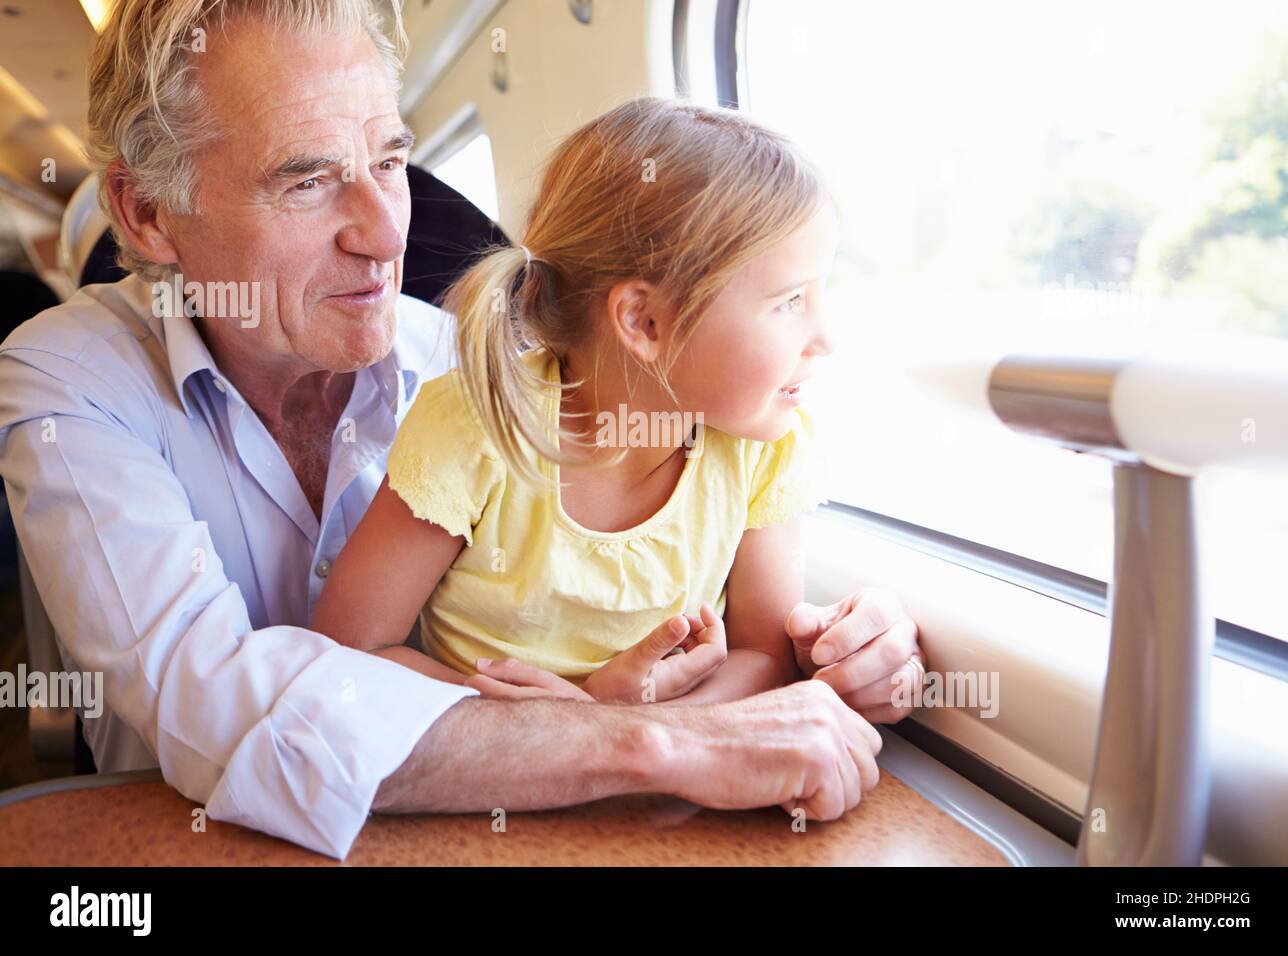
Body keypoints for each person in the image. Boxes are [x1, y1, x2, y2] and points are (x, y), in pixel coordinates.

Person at [0, 0, 923, 860]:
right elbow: (212, 708)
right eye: (308, 178)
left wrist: (841, 642)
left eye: (392, 162)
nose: (382, 231)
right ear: (148, 213)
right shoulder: (70, 380)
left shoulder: (489, 368)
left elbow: (681, 585)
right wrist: (647, 741)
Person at [311, 97, 840, 709]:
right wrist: (570, 721)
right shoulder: (474, 427)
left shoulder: (764, 447)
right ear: (644, 322)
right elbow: (350, 649)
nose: (826, 338)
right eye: (790, 302)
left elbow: (765, 654)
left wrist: (629, 724)